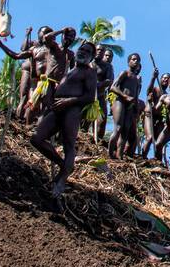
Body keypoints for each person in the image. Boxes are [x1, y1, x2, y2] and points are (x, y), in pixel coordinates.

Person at [30, 41, 98, 197]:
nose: (82, 52)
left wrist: (69, 101)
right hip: (56, 109)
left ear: (92, 57)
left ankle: (61, 181)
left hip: (72, 111)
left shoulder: (89, 72)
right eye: (81, 49)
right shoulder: (71, 70)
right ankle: (64, 165)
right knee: (36, 139)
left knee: (68, 145)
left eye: (87, 51)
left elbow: (89, 97)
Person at [108, 53, 142, 159]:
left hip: (130, 106)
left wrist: (136, 108)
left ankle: (119, 155)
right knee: (118, 128)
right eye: (133, 59)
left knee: (125, 130)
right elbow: (113, 87)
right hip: (120, 101)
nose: (136, 61)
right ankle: (110, 153)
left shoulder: (137, 79)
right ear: (129, 62)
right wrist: (124, 96)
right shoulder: (125, 73)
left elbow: (136, 95)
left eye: (138, 60)